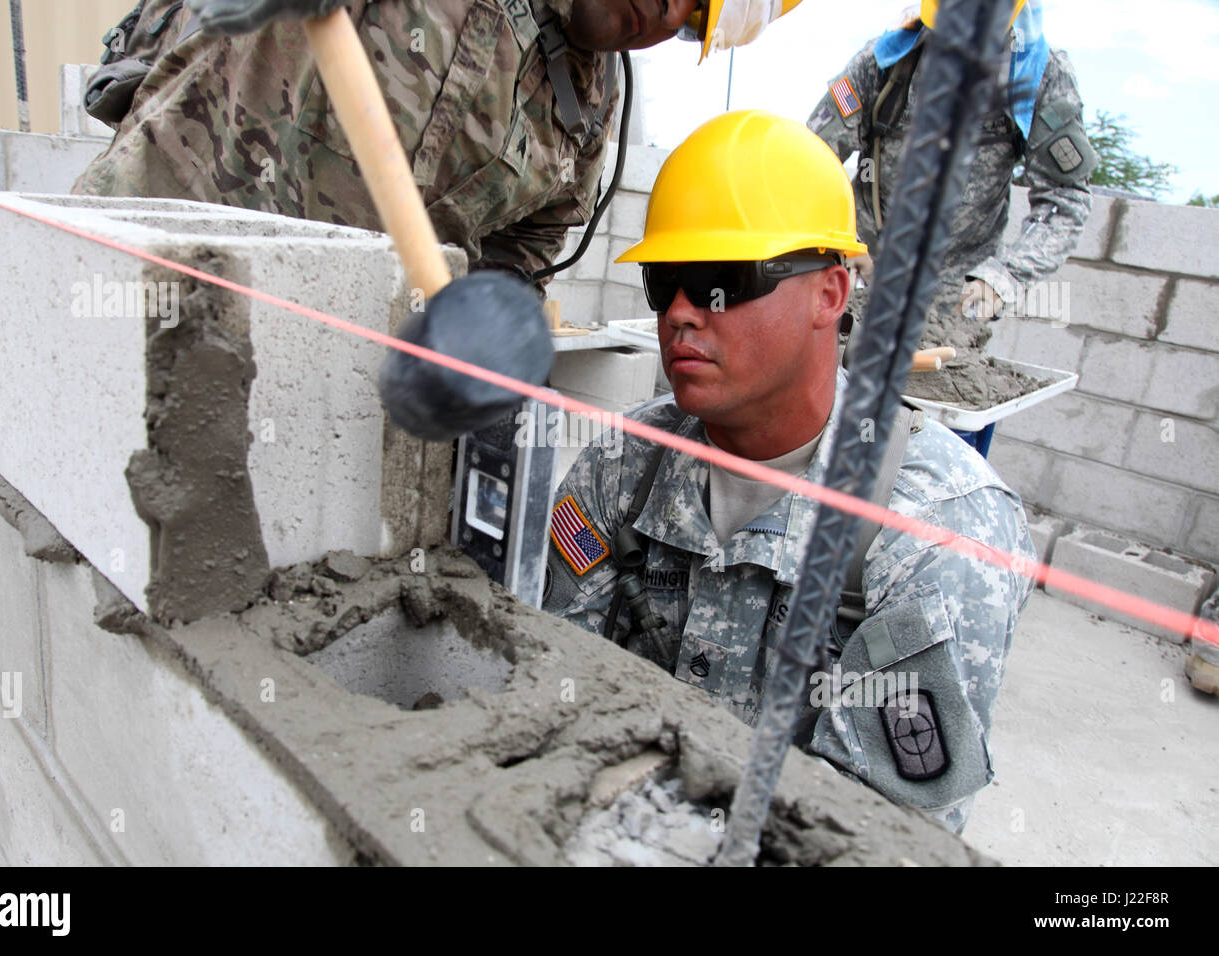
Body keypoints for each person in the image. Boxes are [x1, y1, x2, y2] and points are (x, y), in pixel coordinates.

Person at [541, 110, 1035, 833]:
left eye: (719, 280)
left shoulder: (935, 532)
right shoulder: (623, 467)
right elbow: (563, 693)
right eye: (664, 282)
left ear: (829, 295)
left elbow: (874, 838)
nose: (681, 312)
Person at [74, 0, 799, 285]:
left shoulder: (587, 114)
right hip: (145, 249)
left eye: (690, 18)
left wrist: (490, 322)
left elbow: (522, 253)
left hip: (307, 338)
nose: (666, 8)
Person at [807, 0, 1096, 342]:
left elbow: (1065, 199)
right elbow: (810, 162)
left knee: (927, 388)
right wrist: (846, 244)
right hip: (861, 275)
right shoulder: (886, 61)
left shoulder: (1039, 76)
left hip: (954, 299)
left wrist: (1003, 277)